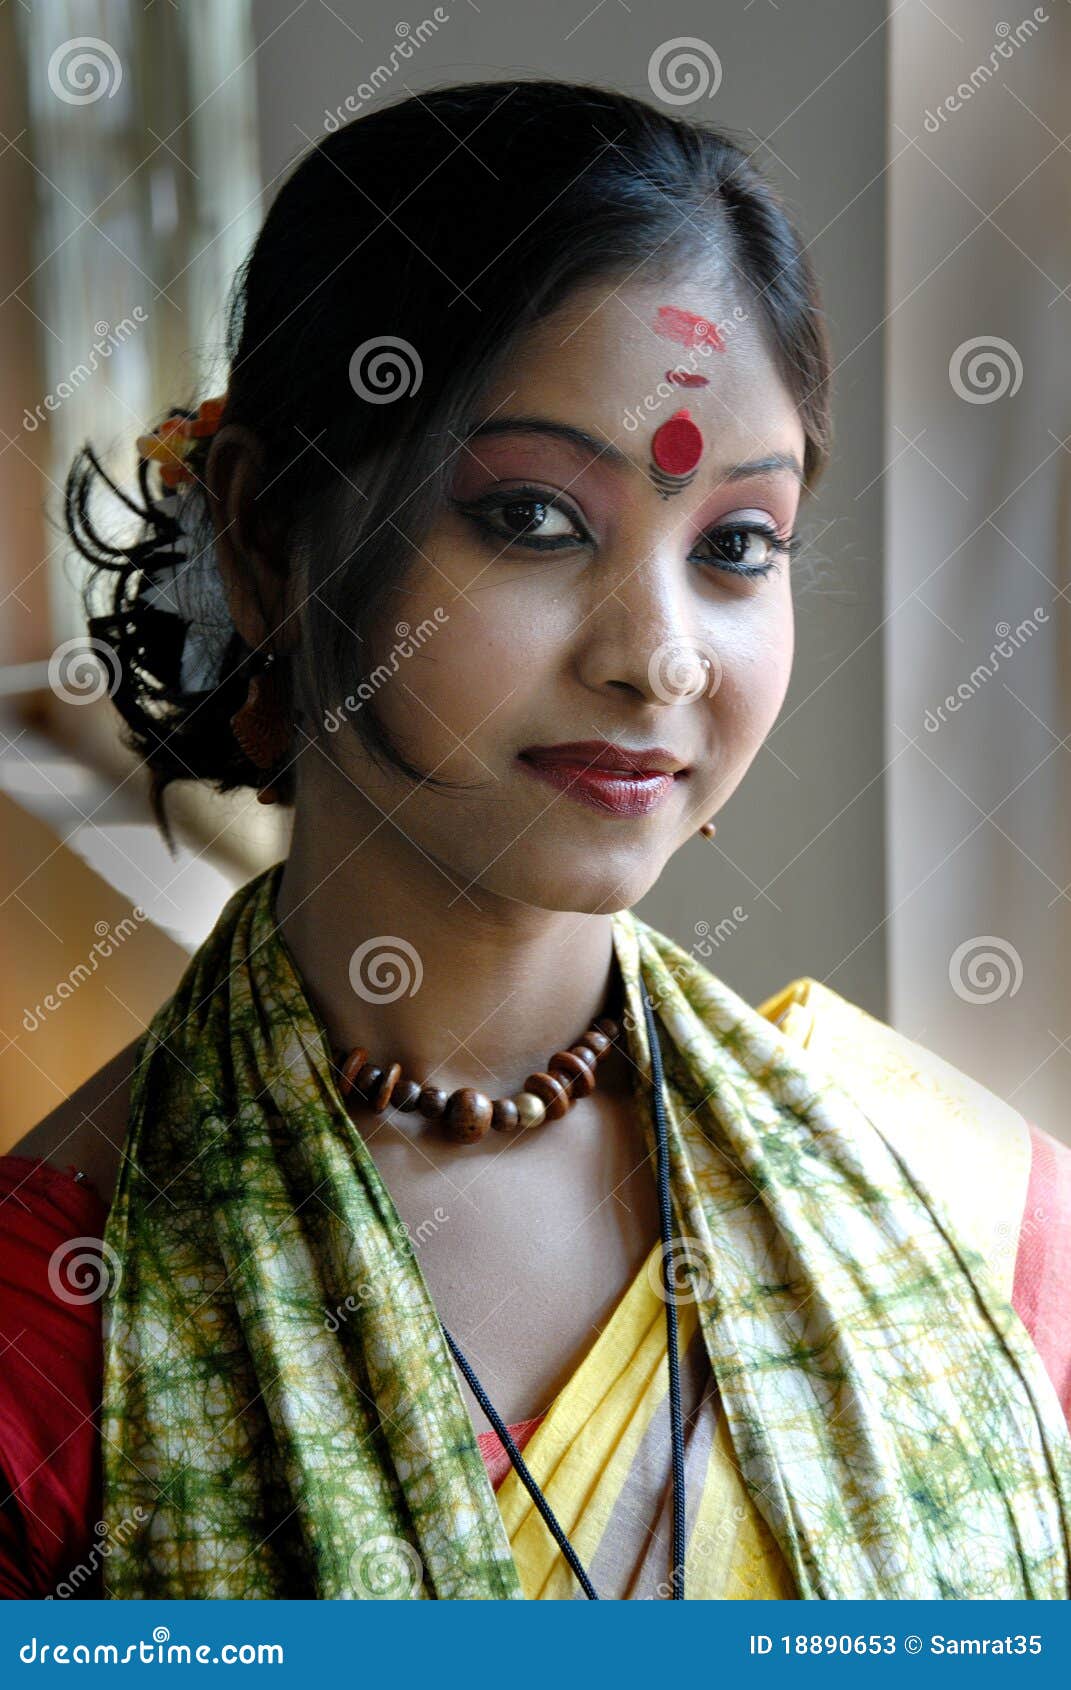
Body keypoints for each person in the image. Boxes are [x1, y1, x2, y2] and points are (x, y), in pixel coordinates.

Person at [2, 78, 1070, 1603]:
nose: (662, 656)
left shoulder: (969, 1223)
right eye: (535, 520)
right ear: (265, 540)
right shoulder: (54, 1342)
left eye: (736, 545)